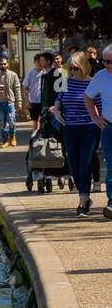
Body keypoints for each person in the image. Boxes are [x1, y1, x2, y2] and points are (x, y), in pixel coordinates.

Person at [51, 52, 98, 216]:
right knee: (73, 165)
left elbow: (98, 106)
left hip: (89, 129)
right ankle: (85, 196)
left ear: (84, 67)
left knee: (84, 165)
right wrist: (56, 111)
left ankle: (82, 202)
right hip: (70, 129)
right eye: (70, 68)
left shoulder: (93, 83)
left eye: (76, 69)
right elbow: (59, 99)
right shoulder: (65, 82)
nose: (72, 72)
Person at [83, 44, 112, 219]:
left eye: (110, 62)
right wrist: (95, 117)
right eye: (105, 61)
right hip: (108, 126)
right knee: (111, 166)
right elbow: (88, 97)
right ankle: (111, 203)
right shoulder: (100, 77)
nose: (107, 65)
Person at [0, 57, 23, 147]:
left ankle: (13, 137)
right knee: (2, 123)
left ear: (7, 64)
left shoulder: (13, 75)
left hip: (10, 102)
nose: (3, 65)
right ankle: (5, 140)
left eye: (4, 64)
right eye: (1, 64)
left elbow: (17, 89)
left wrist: (19, 102)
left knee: (12, 121)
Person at [22, 54, 47, 132]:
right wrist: (26, 101)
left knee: (43, 119)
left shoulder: (45, 73)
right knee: (35, 120)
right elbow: (25, 88)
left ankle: (42, 135)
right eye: (38, 61)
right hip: (33, 100)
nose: (40, 63)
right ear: (34, 62)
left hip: (44, 101)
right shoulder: (30, 74)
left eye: (41, 61)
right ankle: (35, 135)